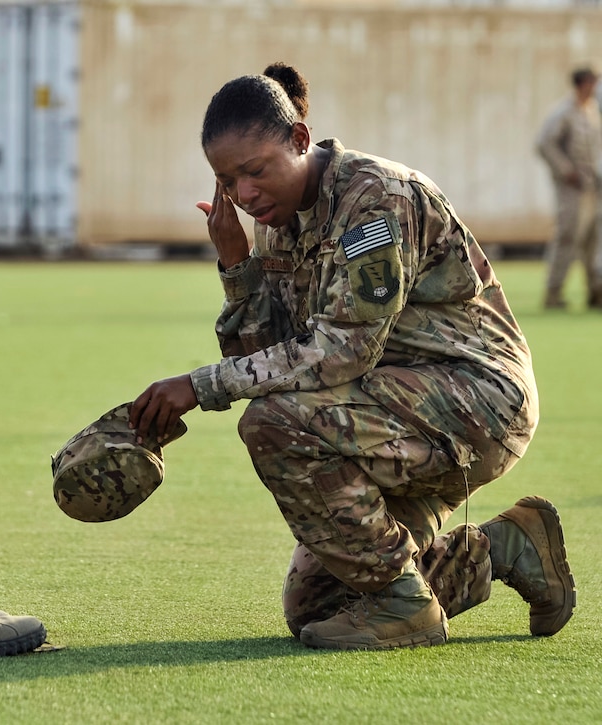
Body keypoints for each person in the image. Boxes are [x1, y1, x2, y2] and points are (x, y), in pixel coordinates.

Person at [128, 63, 576, 650]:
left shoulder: (376, 200)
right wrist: (238, 269)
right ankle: (506, 548)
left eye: (255, 172)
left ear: (299, 140)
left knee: (271, 424)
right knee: (317, 607)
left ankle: (404, 606)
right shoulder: (275, 223)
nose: (244, 194)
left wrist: (200, 385)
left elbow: (342, 353)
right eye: (227, 181)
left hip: (477, 399)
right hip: (387, 411)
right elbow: (276, 364)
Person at [536, 65, 602, 309]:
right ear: (584, 84)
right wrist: (566, 171)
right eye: (594, 82)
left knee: (593, 240)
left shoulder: (592, 111)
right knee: (567, 238)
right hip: (571, 189)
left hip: (591, 186)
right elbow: (544, 144)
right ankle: (553, 294)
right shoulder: (563, 112)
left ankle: (596, 292)